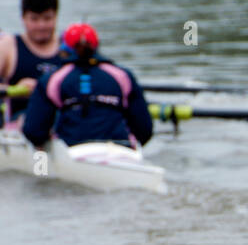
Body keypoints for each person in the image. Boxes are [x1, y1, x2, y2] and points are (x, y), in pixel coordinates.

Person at [20, 23, 150, 150]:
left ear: (63, 50)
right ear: (96, 47)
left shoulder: (52, 79)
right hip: (119, 151)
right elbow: (144, 131)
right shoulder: (122, 76)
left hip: (71, 151)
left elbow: (34, 132)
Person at [0, 0, 59, 130]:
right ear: (23, 18)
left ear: (55, 17)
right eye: (34, 19)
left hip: (61, 121)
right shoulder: (8, 46)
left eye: (47, 18)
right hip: (19, 123)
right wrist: (15, 90)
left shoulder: (67, 47)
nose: (41, 25)